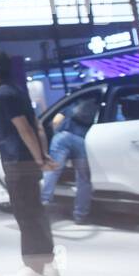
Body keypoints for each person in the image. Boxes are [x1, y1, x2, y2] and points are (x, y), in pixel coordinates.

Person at [0, 50, 60, 276]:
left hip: (18, 161)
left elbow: (24, 128)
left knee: (26, 213)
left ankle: (34, 269)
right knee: (35, 211)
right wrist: (41, 155)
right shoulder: (15, 91)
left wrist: (38, 158)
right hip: (24, 159)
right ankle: (48, 262)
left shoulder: (3, 94)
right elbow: (37, 126)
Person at [39, 96, 96, 224]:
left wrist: (56, 134)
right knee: (83, 179)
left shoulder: (74, 101)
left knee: (52, 172)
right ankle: (80, 215)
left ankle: (43, 203)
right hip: (83, 140)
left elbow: (55, 121)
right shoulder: (96, 104)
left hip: (63, 138)